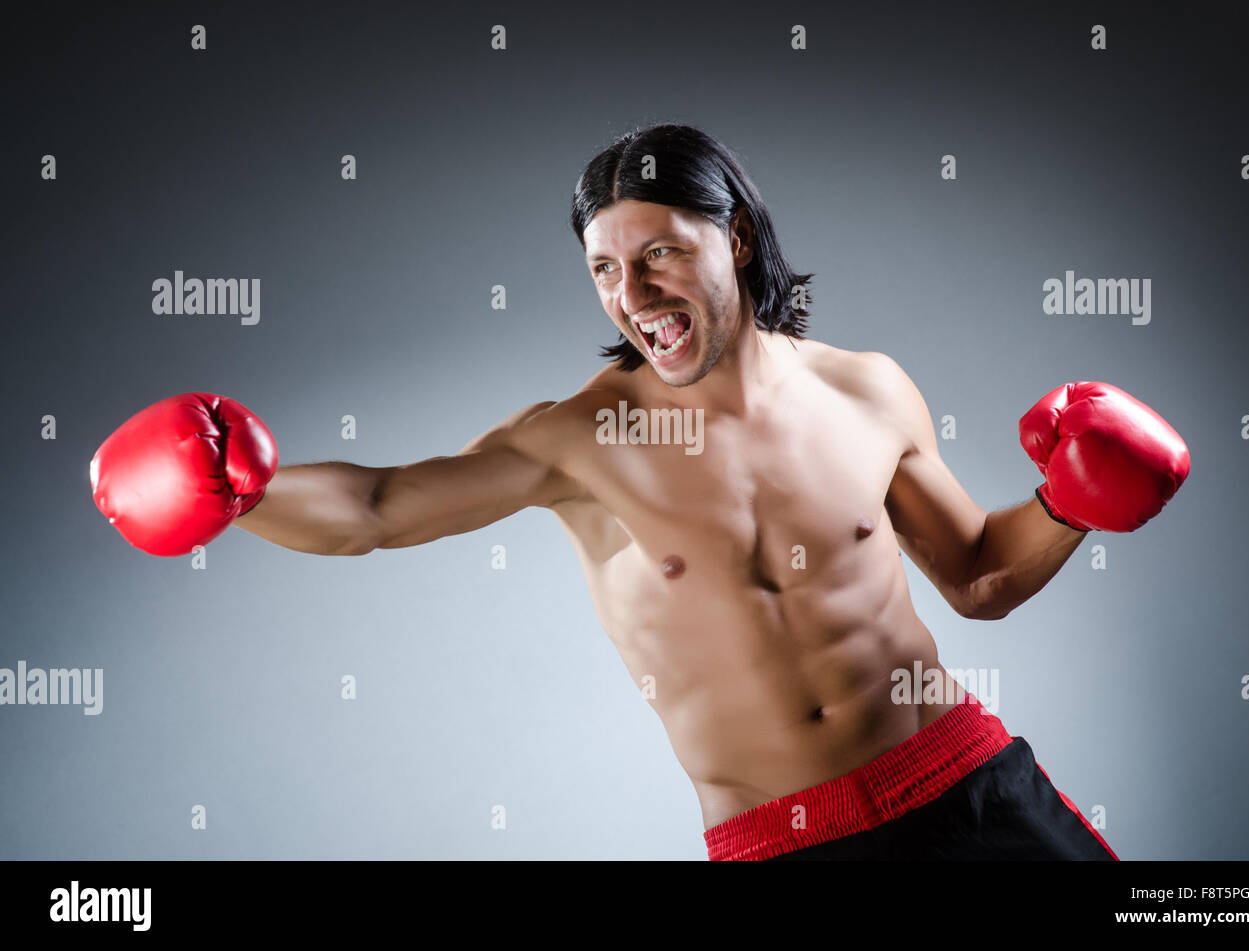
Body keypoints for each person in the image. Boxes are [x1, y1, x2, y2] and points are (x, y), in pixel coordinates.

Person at [90, 124, 1189, 860]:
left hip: (968, 792)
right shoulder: (584, 439)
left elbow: (981, 577)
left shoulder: (867, 390)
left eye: (659, 255)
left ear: (738, 238)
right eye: (606, 270)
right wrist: (244, 485)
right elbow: (378, 508)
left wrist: (1067, 503)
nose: (634, 294)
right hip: (787, 841)